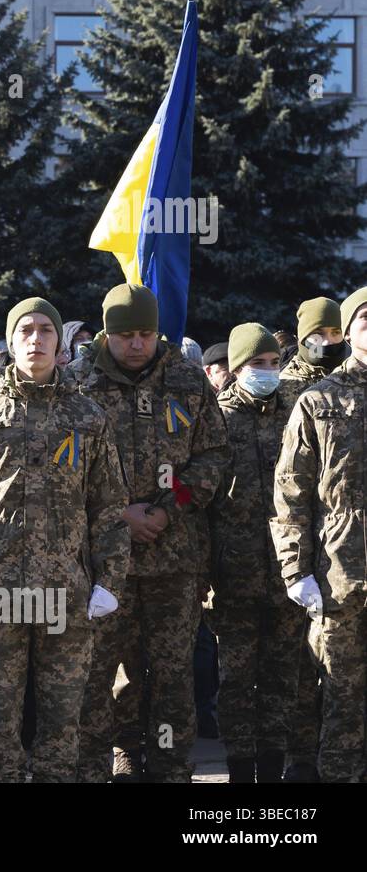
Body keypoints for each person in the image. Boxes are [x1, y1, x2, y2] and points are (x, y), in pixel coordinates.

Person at [0, 298, 129, 782]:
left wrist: (110, 580)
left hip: (67, 593)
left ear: (60, 342)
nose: (37, 339)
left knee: (63, 724)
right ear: (11, 341)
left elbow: (109, 505)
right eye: (26, 330)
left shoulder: (87, 416)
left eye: (46, 330)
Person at [72, 285, 230, 783]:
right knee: (100, 673)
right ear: (106, 332)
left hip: (174, 557)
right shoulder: (76, 384)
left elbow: (214, 453)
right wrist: (121, 512)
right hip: (101, 561)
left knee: (171, 674)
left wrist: (170, 507)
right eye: (124, 335)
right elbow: (63, 469)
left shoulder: (187, 381)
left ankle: (169, 767)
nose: (136, 344)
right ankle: (112, 759)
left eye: (144, 333)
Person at [271, 286, 367, 784]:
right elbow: (292, 492)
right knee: (343, 706)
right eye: (365, 318)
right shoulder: (319, 400)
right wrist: (295, 569)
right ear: (349, 330)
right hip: (340, 578)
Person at [208, 324, 302, 782]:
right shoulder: (217, 417)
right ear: (237, 368)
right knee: (237, 679)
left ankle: (273, 766)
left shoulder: (293, 413)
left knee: (284, 674)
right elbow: (201, 502)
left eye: (272, 363)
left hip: (288, 572)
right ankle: (240, 769)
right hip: (234, 573)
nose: (267, 372)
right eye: (255, 365)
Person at [277, 297, 345, 782]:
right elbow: (290, 489)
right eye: (316, 332)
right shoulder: (304, 397)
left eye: (333, 331)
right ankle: (302, 764)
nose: (326, 341)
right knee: (320, 684)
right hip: (329, 567)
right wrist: (296, 567)